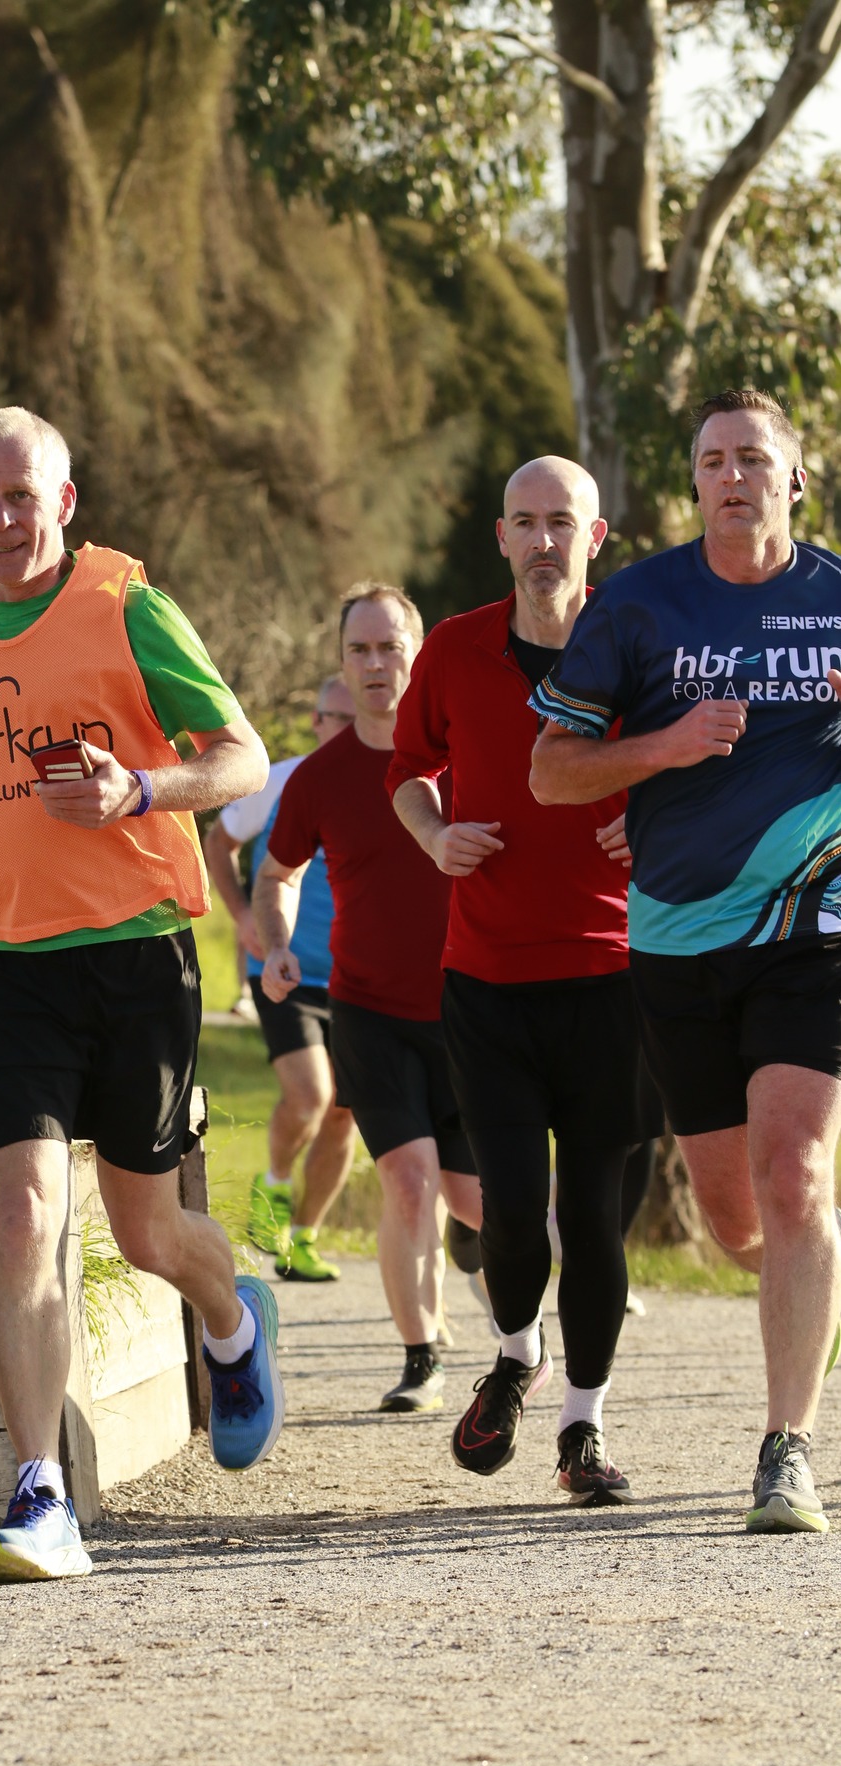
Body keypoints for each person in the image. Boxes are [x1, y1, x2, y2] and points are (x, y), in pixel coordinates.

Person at [0, 405, 277, 1584]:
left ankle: (233, 1319)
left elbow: (243, 756)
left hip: (135, 953)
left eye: (22, 498)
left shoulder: (127, 607)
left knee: (148, 1226)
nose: (2, 521)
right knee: (24, 1213)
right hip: (3, 961)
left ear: (64, 500)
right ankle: (39, 1490)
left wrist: (138, 790)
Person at [529, 388, 841, 1536]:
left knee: (797, 1173)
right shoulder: (640, 603)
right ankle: (815, 1279)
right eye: (713, 459)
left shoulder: (838, 598)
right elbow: (549, 773)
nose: (734, 476)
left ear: (793, 478)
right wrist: (662, 745)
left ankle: (787, 1447)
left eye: (755, 457)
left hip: (817, 928)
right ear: (694, 480)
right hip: (675, 937)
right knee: (736, 1216)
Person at [390, 456, 650, 1508]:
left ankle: (580, 1433)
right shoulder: (453, 650)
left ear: (596, 540)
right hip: (487, 980)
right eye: (527, 523)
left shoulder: (641, 648)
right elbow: (407, 769)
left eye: (564, 523)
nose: (545, 541)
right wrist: (434, 833)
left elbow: (704, 762)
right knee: (509, 1207)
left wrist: (662, 821)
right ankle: (511, 1355)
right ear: (502, 536)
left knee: (592, 1219)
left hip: (614, 979)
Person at [253, 583, 484, 1414]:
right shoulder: (317, 778)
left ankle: (472, 1238)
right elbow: (277, 873)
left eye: (391, 648)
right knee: (408, 1181)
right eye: (361, 651)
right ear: (342, 664)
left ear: (418, 654)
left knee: (471, 1200)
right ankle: (420, 1355)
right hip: (367, 1010)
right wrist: (275, 944)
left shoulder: (472, 754)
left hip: (471, 1007)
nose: (377, 665)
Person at [204, 676, 358, 1280]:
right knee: (312, 1095)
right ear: (316, 720)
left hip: (358, 975)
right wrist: (244, 915)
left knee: (347, 1109)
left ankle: (305, 1238)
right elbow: (219, 843)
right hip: (283, 966)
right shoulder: (281, 779)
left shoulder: (391, 780)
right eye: (334, 718)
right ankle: (272, 1186)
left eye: (354, 719)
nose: (343, 729)